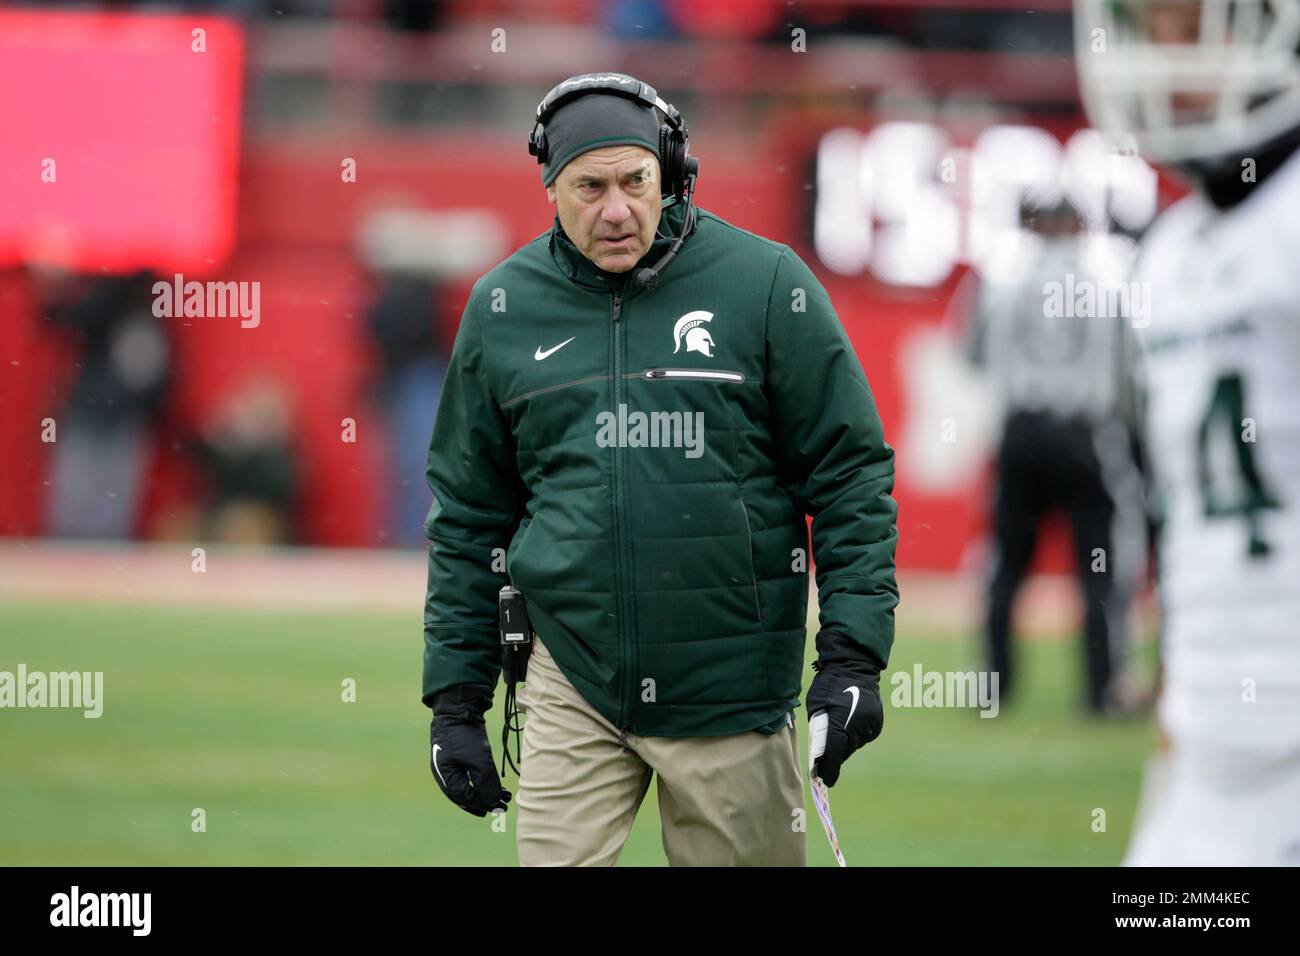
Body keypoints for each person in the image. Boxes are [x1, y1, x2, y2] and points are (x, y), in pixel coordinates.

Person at [421, 72, 899, 866]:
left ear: (669, 171)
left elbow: (850, 475)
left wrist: (853, 659)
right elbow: (471, 516)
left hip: (732, 687)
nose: (617, 209)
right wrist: (458, 699)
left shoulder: (767, 284)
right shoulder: (501, 308)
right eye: (590, 187)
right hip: (571, 675)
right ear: (549, 187)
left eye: (635, 181)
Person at [1075, 0, 1300, 863]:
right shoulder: (1169, 255)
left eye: (1186, 23)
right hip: (1212, 763)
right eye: (1148, 27)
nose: (1161, 55)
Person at [960, 197, 1146, 714]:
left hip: (1020, 433)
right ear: (1079, 228)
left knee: (1006, 565)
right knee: (1100, 568)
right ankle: (1101, 689)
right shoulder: (1105, 287)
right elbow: (1129, 376)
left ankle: (993, 689)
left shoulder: (1000, 285)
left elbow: (971, 355)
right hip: (1082, 436)